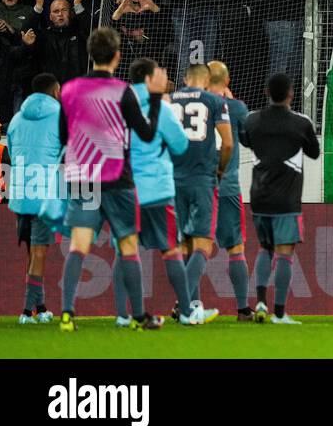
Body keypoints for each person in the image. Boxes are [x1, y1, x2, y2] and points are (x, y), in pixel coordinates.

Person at [58, 26, 166, 332]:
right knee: (128, 246)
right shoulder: (123, 91)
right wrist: (155, 98)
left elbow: (64, 137)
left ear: (91, 54)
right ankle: (140, 316)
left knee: (79, 245)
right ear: (117, 56)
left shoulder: (69, 90)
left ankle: (66, 313)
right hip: (117, 178)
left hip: (83, 178)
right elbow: (146, 134)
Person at [120, 57, 206, 326]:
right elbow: (180, 146)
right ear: (147, 78)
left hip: (126, 190)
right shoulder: (164, 109)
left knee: (126, 250)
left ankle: (124, 315)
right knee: (171, 250)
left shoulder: (118, 106)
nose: (164, 76)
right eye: (159, 73)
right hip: (157, 189)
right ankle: (185, 311)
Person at [244, 72, 320, 325]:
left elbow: (246, 139)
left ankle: (261, 302)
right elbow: (314, 152)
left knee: (265, 249)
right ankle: (279, 313)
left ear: (266, 93)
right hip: (286, 199)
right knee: (284, 253)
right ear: (291, 94)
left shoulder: (252, 120)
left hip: (259, 197)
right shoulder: (300, 122)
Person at [168, 62, 233, 325]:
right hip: (202, 178)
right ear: (206, 80)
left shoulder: (168, 100)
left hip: (174, 180)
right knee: (203, 243)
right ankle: (184, 305)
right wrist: (220, 170)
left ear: (185, 78)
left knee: (186, 244)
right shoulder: (214, 100)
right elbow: (227, 142)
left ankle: (193, 306)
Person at [5, 72, 61, 323]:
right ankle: (27, 311)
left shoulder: (16, 119)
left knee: (33, 252)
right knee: (39, 253)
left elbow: (12, 152)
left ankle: (41, 307)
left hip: (20, 193)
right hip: (44, 194)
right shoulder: (60, 117)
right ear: (55, 92)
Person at [209, 60, 254, 321]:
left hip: (199, 186)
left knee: (196, 245)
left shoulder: (197, 106)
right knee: (235, 248)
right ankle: (242, 308)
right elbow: (248, 139)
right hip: (228, 186)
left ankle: (185, 303)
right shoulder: (236, 108)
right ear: (227, 81)